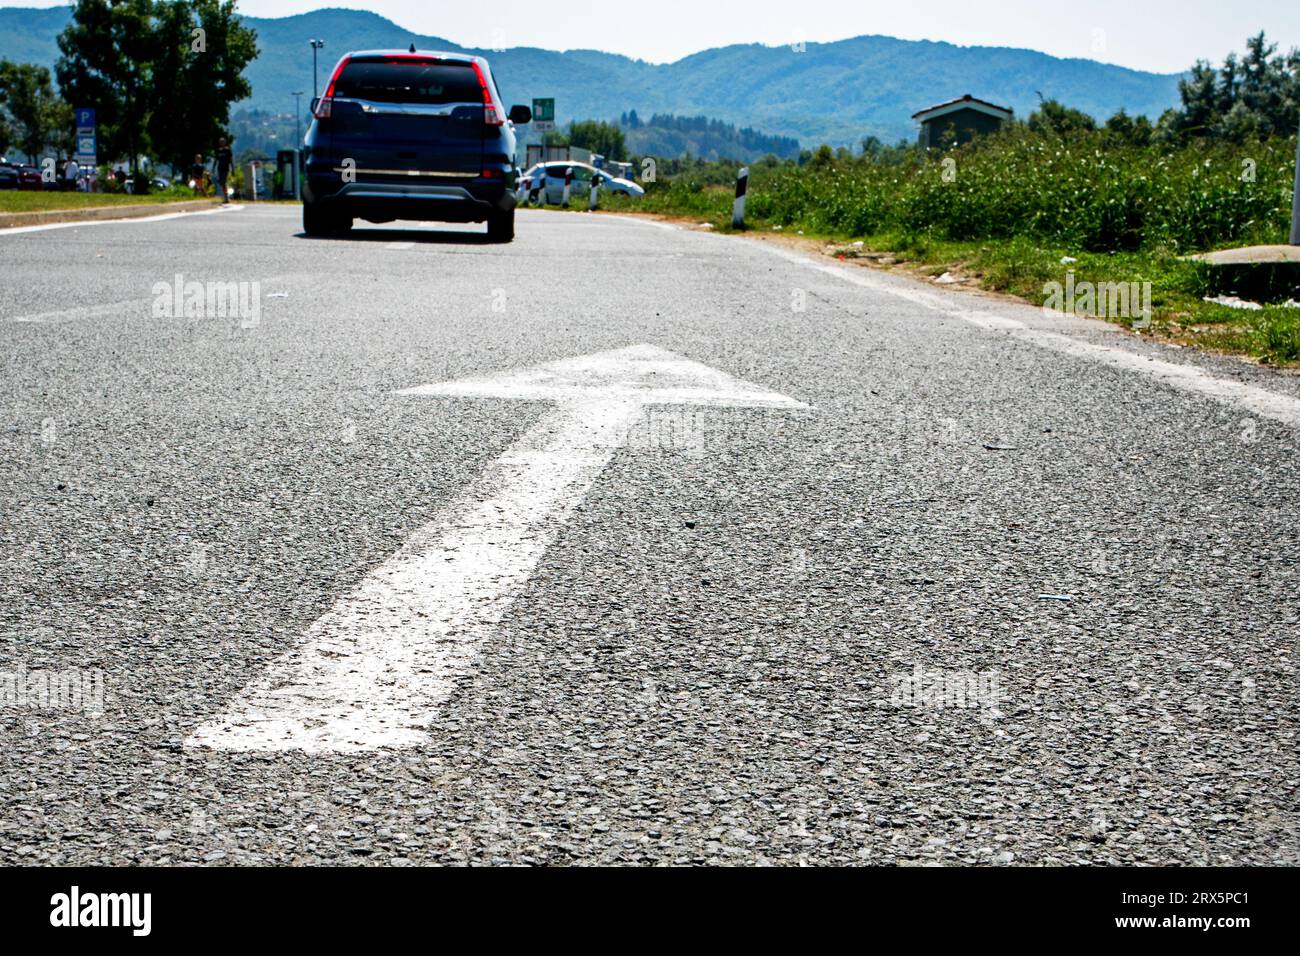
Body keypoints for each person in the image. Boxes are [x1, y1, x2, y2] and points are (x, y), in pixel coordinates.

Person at [215, 137, 233, 203]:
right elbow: (216, 159)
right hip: (220, 168)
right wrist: (214, 167)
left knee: (223, 182)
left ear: (225, 142)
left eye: (223, 141)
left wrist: (232, 168)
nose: (222, 143)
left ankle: (226, 197)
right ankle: (226, 195)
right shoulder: (218, 150)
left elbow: (231, 160)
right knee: (221, 182)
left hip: (226, 168)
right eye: (220, 142)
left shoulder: (228, 150)